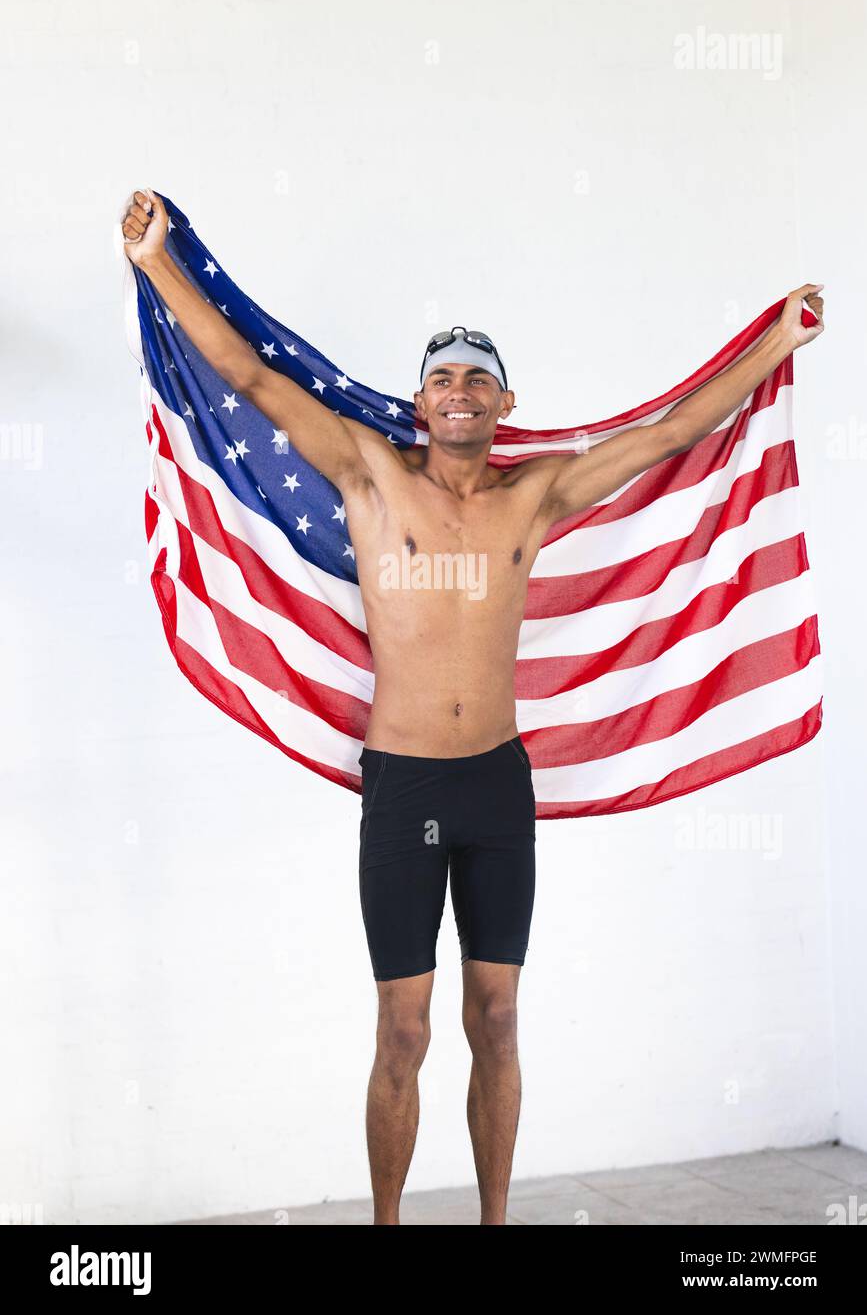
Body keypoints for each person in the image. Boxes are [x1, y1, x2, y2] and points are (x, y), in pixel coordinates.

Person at [121, 189, 824, 1225]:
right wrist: (157, 262)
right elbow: (252, 377)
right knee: (402, 1031)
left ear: (502, 402)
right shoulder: (368, 473)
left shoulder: (533, 495)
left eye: (476, 380)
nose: (459, 393)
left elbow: (674, 430)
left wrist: (778, 340)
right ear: (421, 402)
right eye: (443, 378)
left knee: (496, 1019)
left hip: (497, 785)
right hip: (404, 786)